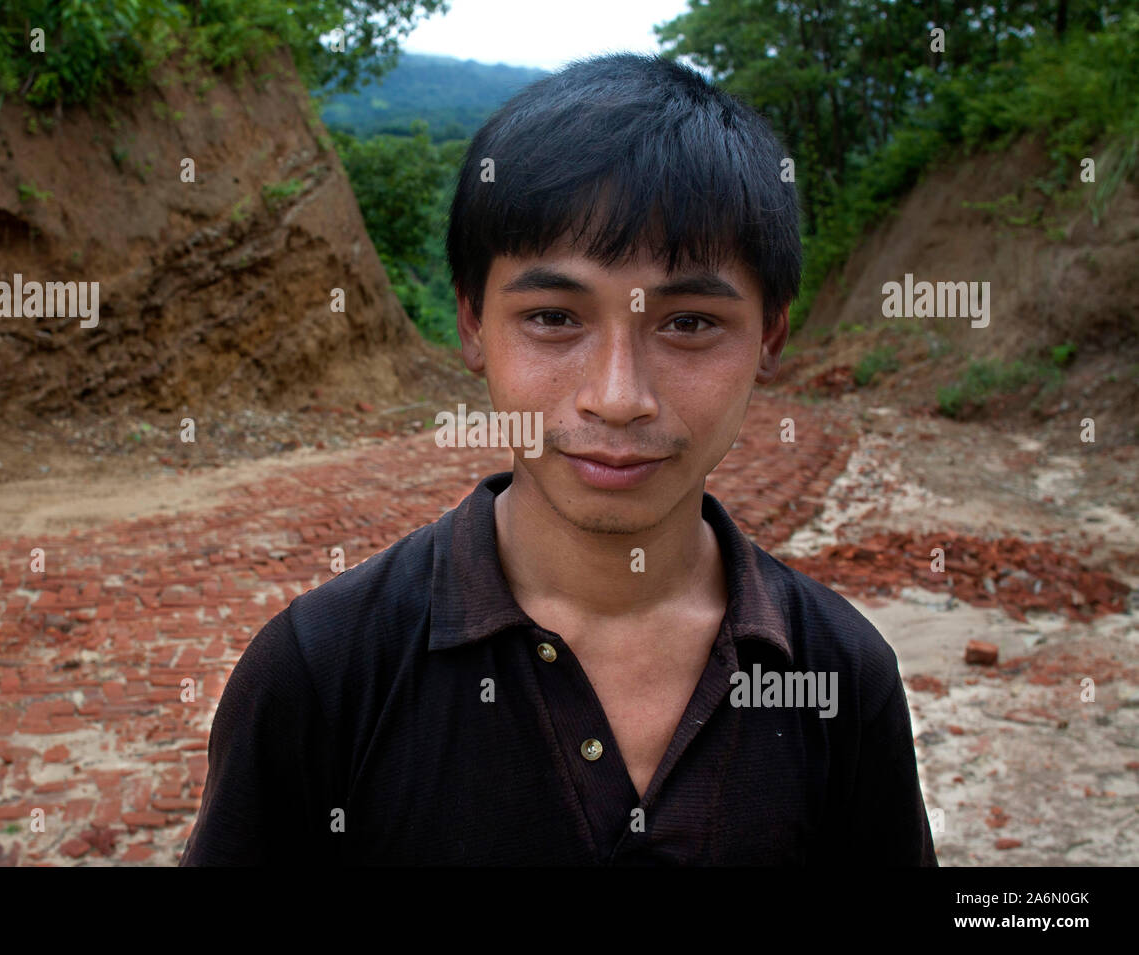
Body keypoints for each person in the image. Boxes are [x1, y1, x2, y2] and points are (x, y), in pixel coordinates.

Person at [180, 52, 937, 866]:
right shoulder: (323, 672)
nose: (617, 397)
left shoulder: (840, 675)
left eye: (688, 324)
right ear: (473, 326)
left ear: (770, 340)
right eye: (552, 317)